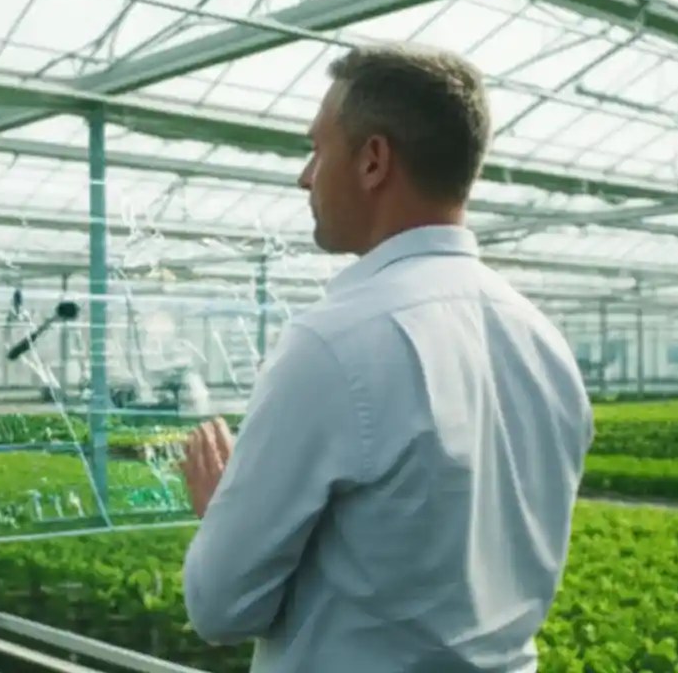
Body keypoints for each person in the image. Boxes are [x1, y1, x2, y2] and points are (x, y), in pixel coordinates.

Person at [179, 43, 594, 673]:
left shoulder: (333, 343)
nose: (304, 175)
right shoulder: (543, 342)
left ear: (373, 160)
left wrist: (225, 514)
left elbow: (220, 608)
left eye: (317, 149)